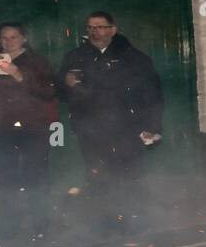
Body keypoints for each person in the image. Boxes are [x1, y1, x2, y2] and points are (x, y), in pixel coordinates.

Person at [57, 12, 164, 227]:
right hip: (91, 130)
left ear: (113, 30)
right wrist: (66, 84)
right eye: (90, 28)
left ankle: (134, 222)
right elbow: (61, 94)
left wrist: (153, 126)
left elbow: (152, 95)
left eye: (100, 27)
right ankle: (104, 223)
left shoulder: (134, 58)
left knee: (129, 177)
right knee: (98, 177)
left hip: (126, 129)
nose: (94, 32)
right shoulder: (75, 57)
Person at [0, 23, 58, 239]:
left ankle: (40, 224)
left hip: (33, 127)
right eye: (4, 38)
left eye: (13, 37)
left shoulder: (37, 62)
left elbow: (48, 91)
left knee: (36, 176)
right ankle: (11, 222)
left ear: (24, 38)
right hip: (0, 128)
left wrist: (19, 75)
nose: (8, 42)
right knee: (6, 177)